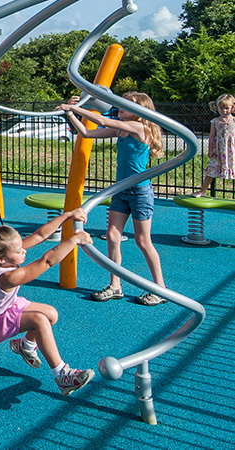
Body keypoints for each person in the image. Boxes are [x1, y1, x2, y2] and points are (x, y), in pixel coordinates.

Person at [0, 209, 95, 395]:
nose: (23, 251)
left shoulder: (7, 255)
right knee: (39, 320)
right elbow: (47, 262)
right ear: (1, 259)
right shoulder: (8, 276)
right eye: (19, 251)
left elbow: (40, 235)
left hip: (7, 306)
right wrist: (74, 240)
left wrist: (67, 216)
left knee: (51, 314)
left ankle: (25, 345)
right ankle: (62, 375)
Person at [58, 92, 166, 306]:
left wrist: (78, 108)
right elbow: (87, 133)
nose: (121, 107)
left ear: (140, 111)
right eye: (121, 103)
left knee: (143, 241)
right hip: (120, 190)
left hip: (139, 192)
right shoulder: (121, 128)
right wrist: (70, 113)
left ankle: (160, 288)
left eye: (127, 105)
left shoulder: (139, 128)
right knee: (112, 236)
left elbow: (103, 120)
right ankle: (115, 285)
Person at [192, 93, 235, 197]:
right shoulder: (215, 122)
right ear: (217, 108)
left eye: (227, 108)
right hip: (218, 151)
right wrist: (210, 150)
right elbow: (211, 136)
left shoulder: (234, 121)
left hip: (232, 151)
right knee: (211, 170)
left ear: (232, 108)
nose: (224, 111)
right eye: (221, 108)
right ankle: (203, 191)